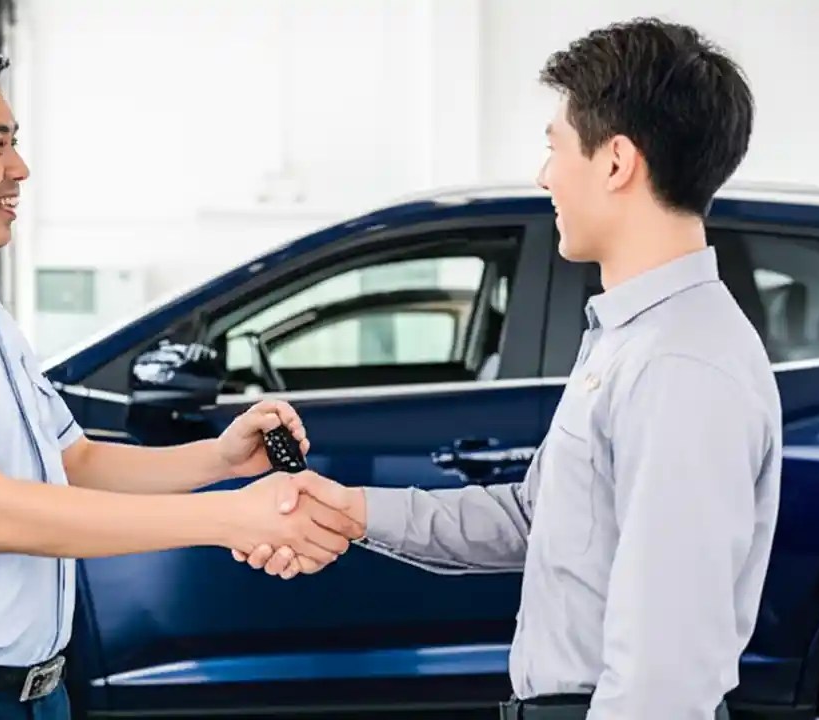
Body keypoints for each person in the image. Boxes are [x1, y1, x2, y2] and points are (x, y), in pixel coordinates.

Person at [237, 18, 781, 720]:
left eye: (554, 147)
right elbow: (540, 516)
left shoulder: (679, 368)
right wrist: (360, 511)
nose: (545, 174)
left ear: (616, 162)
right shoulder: (631, 339)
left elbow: (666, 674)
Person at [0, 41, 360, 720]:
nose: (20, 168)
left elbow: (77, 460)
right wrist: (228, 518)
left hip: (38, 695)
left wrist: (219, 460)